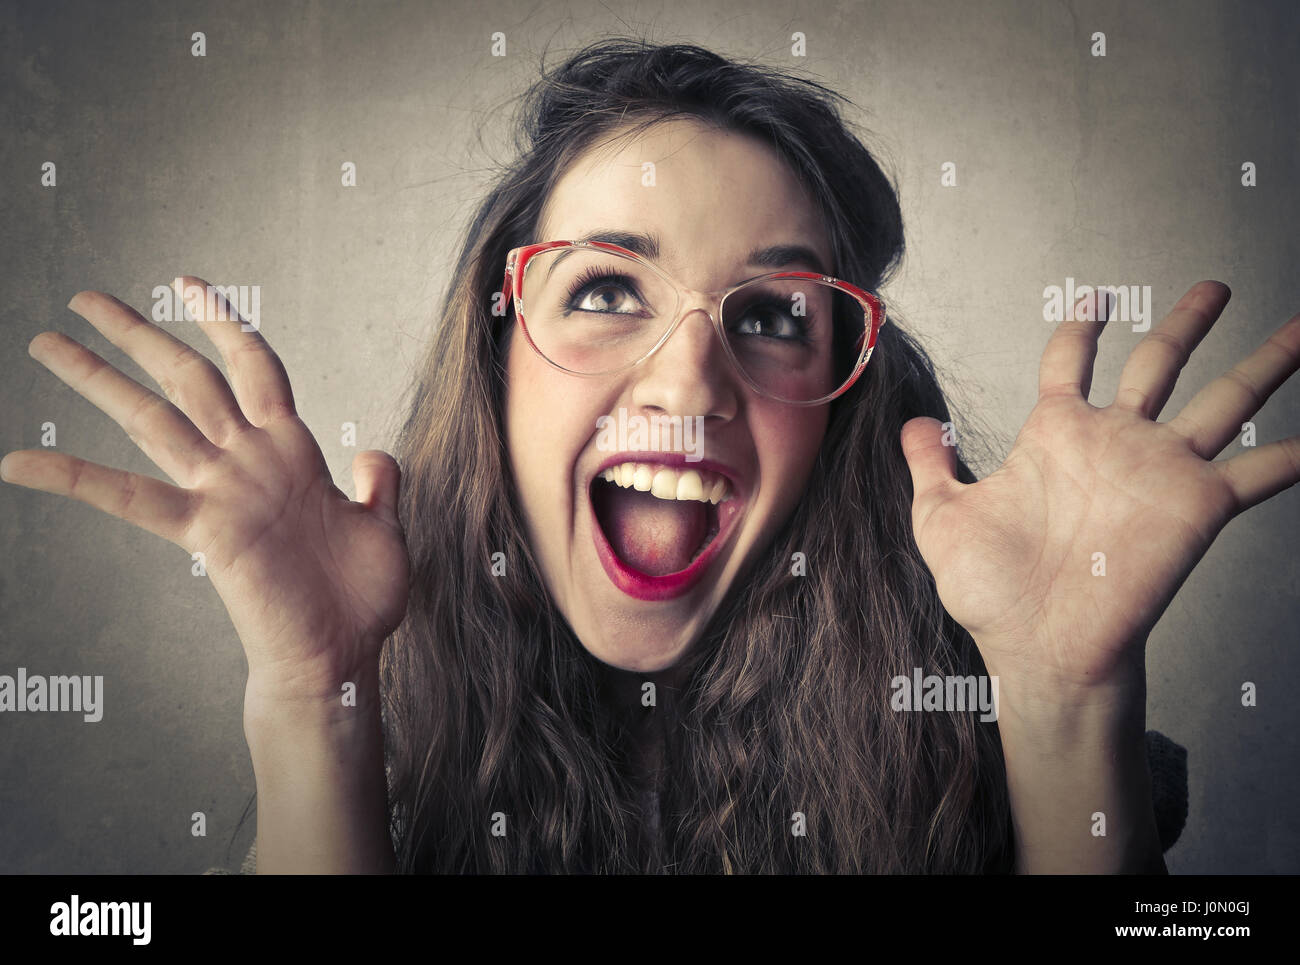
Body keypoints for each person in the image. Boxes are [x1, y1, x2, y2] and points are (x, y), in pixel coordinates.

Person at [3, 39, 1295, 874]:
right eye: (610, 288)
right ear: (497, 355)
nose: (690, 377)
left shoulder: (993, 739)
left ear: (838, 404)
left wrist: (1069, 706)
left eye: (776, 313)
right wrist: (311, 701)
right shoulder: (386, 732)